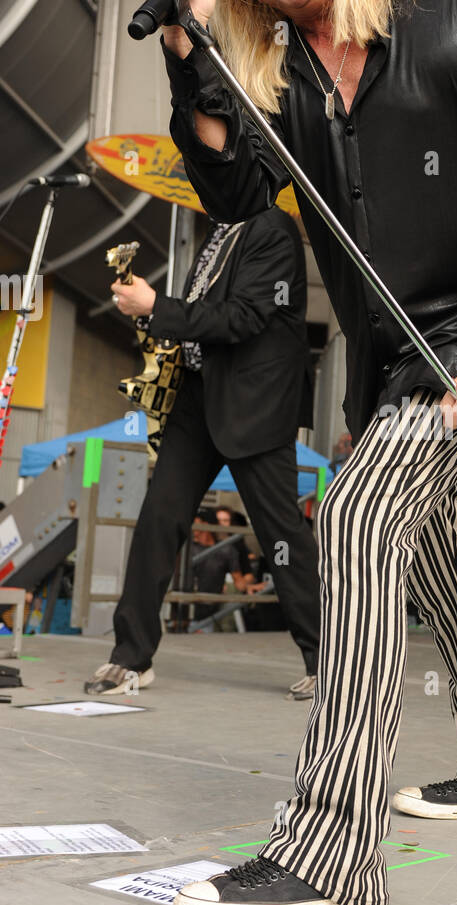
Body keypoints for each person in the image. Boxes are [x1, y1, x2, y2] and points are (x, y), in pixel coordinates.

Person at [141, 0, 457, 905]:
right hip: (387, 363)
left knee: (363, 517)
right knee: (433, 557)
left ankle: (328, 844)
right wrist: (186, 33)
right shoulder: (280, 76)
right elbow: (230, 188)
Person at [84, 207, 320, 703]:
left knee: (282, 533)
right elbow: (205, 315)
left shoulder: (273, 229)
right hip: (197, 398)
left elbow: (246, 316)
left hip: (255, 405)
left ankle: (328, 662)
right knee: (158, 519)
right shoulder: (218, 230)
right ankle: (131, 656)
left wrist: (156, 305)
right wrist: (156, 312)